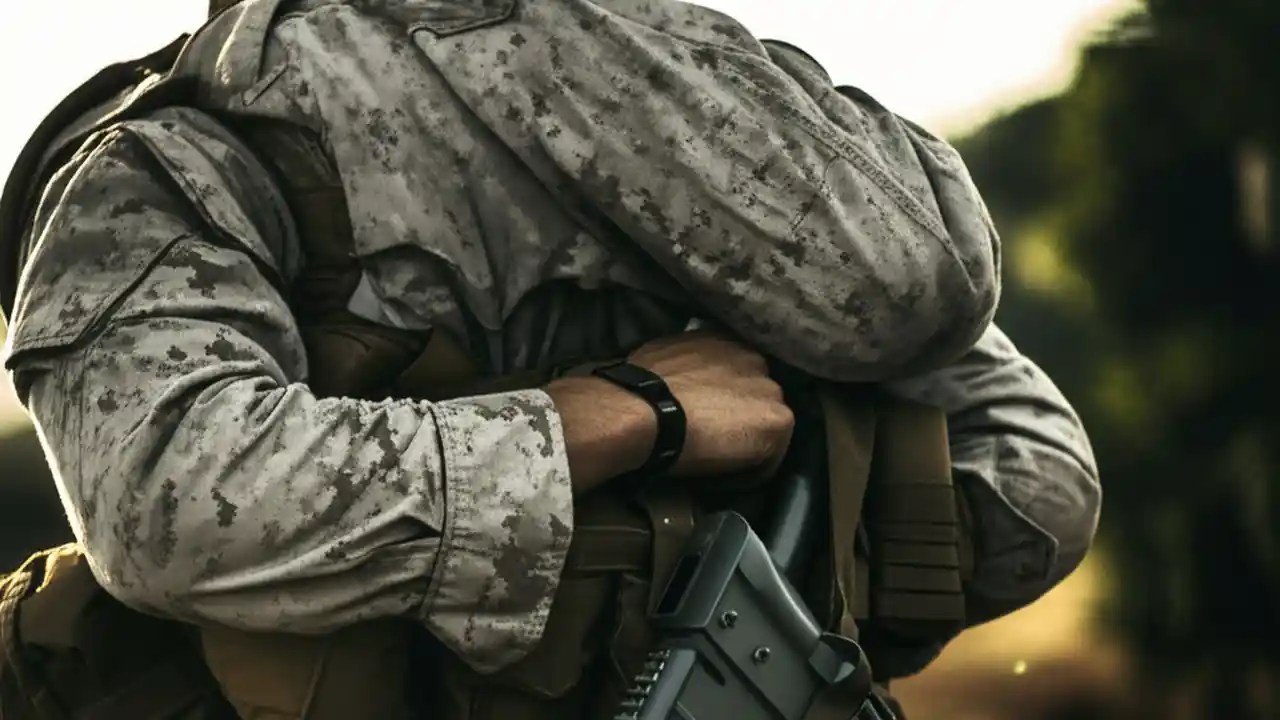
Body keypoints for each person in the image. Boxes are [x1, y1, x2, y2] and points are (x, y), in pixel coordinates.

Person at [0, 0, 1100, 717]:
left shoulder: (703, 155)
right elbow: (170, 506)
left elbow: (1024, 473)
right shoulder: (184, 160)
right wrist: (623, 414)